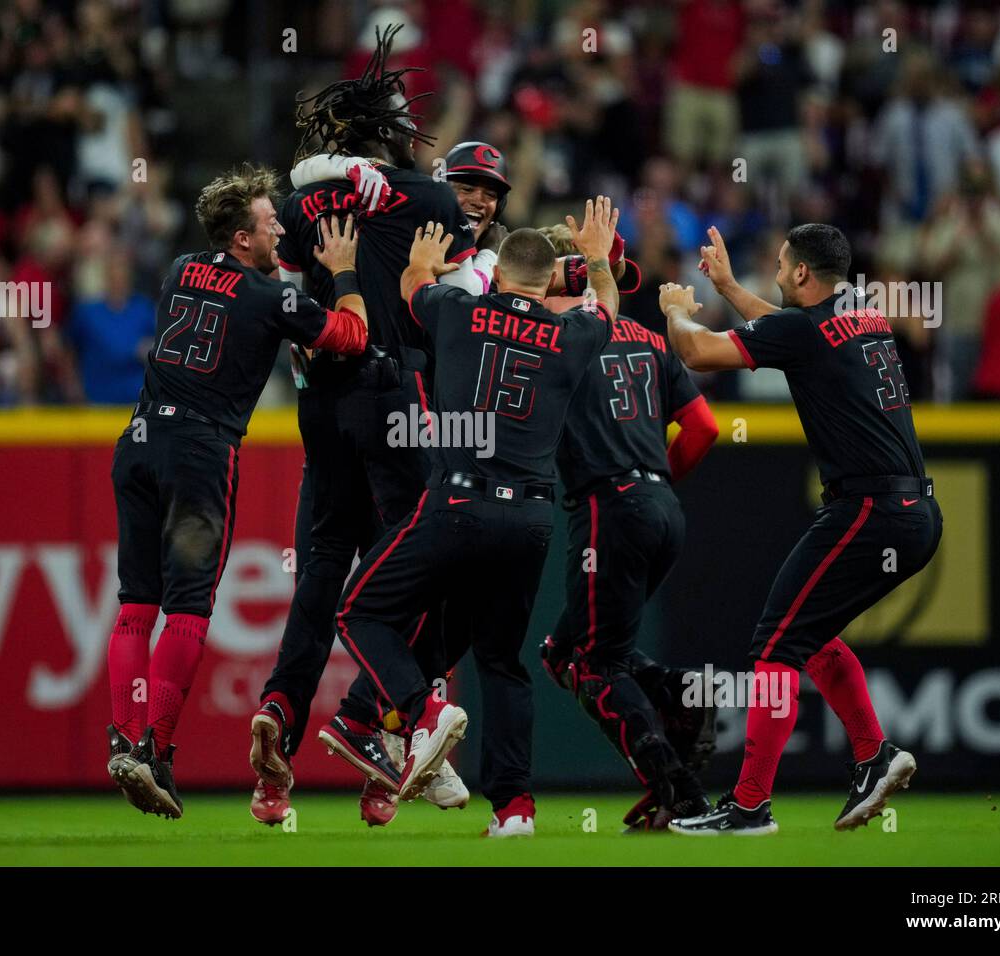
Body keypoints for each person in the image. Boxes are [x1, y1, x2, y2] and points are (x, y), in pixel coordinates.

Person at [249, 25, 481, 828]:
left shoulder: (293, 203)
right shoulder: (431, 197)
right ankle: (403, 725)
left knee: (321, 567)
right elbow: (452, 290)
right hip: (397, 390)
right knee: (422, 566)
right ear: (388, 131)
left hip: (321, 396)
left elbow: (289, 306)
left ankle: (281, 711)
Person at [333, 198, 621, 837]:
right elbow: (608, 309)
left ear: (495, 275)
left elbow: (415, 292)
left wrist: (423, 262)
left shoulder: (460, 311)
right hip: (530, 520)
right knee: (501, 661)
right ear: (550, 281)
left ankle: (420, 709)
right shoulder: (572, 335)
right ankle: (515, 808)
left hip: (458, 503)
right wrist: (598, 259)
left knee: (358, 609)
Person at [104, 165, 368, 819]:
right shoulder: (267, 298)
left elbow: (235, 306)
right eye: (269, 218)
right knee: (188, 609)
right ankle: (153, 749)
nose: (280, 223)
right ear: (244, 237)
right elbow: (350, 338)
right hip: (197, 456)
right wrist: (344, 273)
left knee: (136, 604)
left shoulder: (181, 269)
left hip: (135, 443)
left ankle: (123, 734)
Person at [660, 224, 942, 835]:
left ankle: (750, 806)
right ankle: (874, 755)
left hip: (869, 510)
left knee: (774, 647)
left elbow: (698, 353)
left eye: (783, 265)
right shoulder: (858, 313)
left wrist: (679, 313)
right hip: (911, 512)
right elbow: (787, 333)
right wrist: (731, 287)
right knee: (805, 637)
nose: (779, 272)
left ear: (803, 276)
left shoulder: (803, 328)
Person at [535, 227, 720, 831]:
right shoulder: (646, 339)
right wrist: (655, 484)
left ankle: (679, 791)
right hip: (662, 507)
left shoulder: (552, 338)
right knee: (565, 651)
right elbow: (704, 429)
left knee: (592, 666)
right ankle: (680, 693)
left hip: (607, 509)